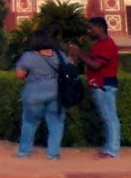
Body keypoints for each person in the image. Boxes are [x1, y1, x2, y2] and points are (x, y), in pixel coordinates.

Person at [69, 16, 121, 158]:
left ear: (100, 28)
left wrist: (79, 53)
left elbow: (96, 65)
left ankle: (112, 150)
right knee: (107, 118)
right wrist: (79, 52)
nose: (89, 31)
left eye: (91, 28)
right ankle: (110, 147)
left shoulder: (107, 45)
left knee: (110, 118)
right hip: (98, 84)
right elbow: (91, 59)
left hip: (104, 85)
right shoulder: (99, 44)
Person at [13, 31, 67, 160]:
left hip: (33, 94)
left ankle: (23, 152)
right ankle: (53, 154)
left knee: (29, 123)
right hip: (56, 93)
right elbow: (69, 68)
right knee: (55, 123)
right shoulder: (59, 55)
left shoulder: (28, 56)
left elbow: (19, 75)